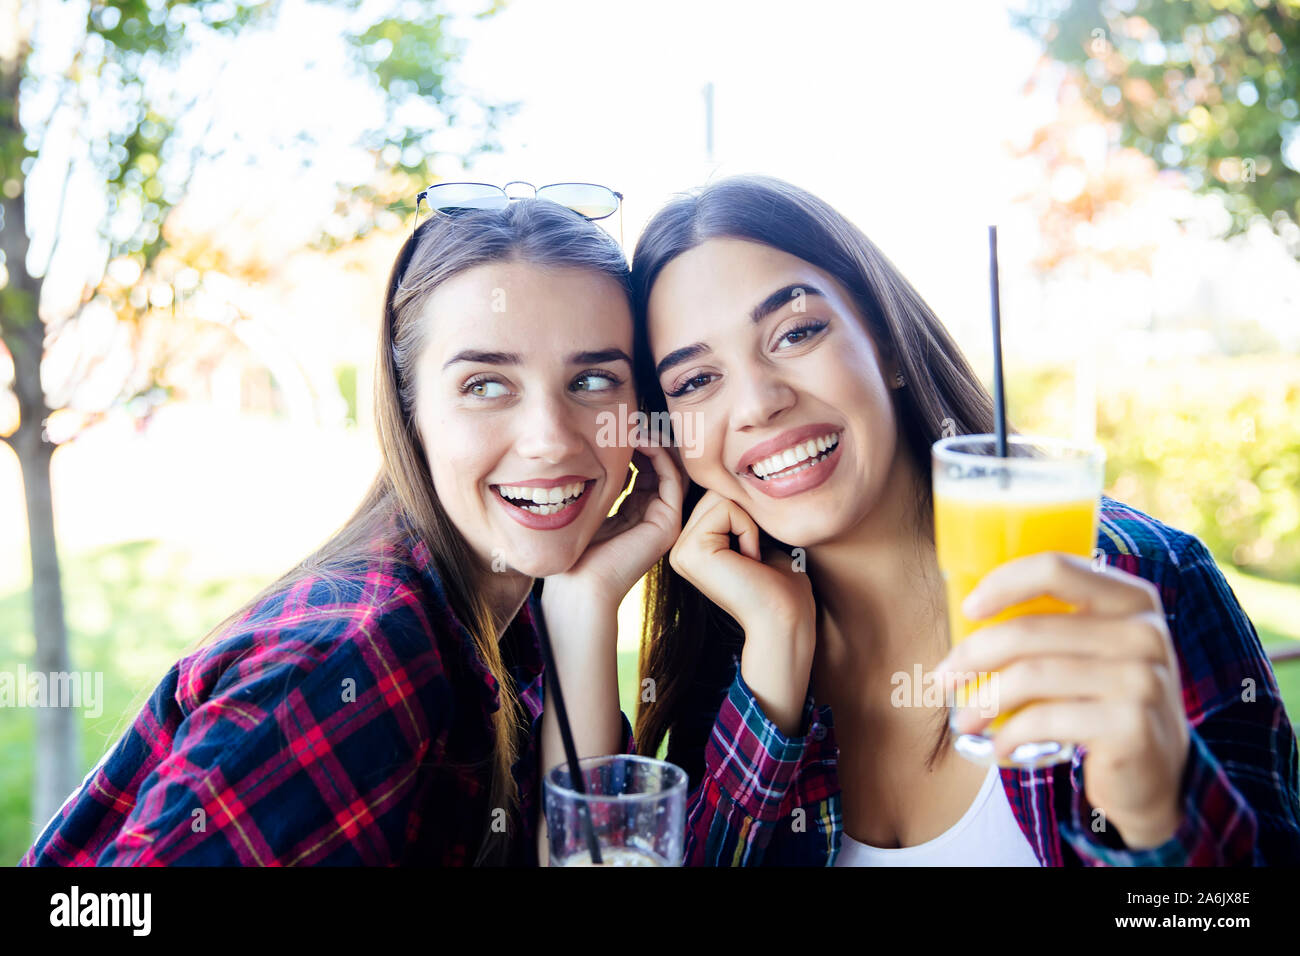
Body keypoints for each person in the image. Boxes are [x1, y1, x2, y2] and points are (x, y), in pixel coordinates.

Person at [626, 174, 1300, 866]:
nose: (757, 404)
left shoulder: (1140, 578)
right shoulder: (728, 652)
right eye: (695, 382)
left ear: (885, 341)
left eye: (796, 332)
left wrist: (1162, 812)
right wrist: (775, 641)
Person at [20, 196, 682, 866]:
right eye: (485, 385)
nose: (549, 439)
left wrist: (585, 606)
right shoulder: (352, 660)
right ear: (409, 407)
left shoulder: (511, 609)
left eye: (594, 379)